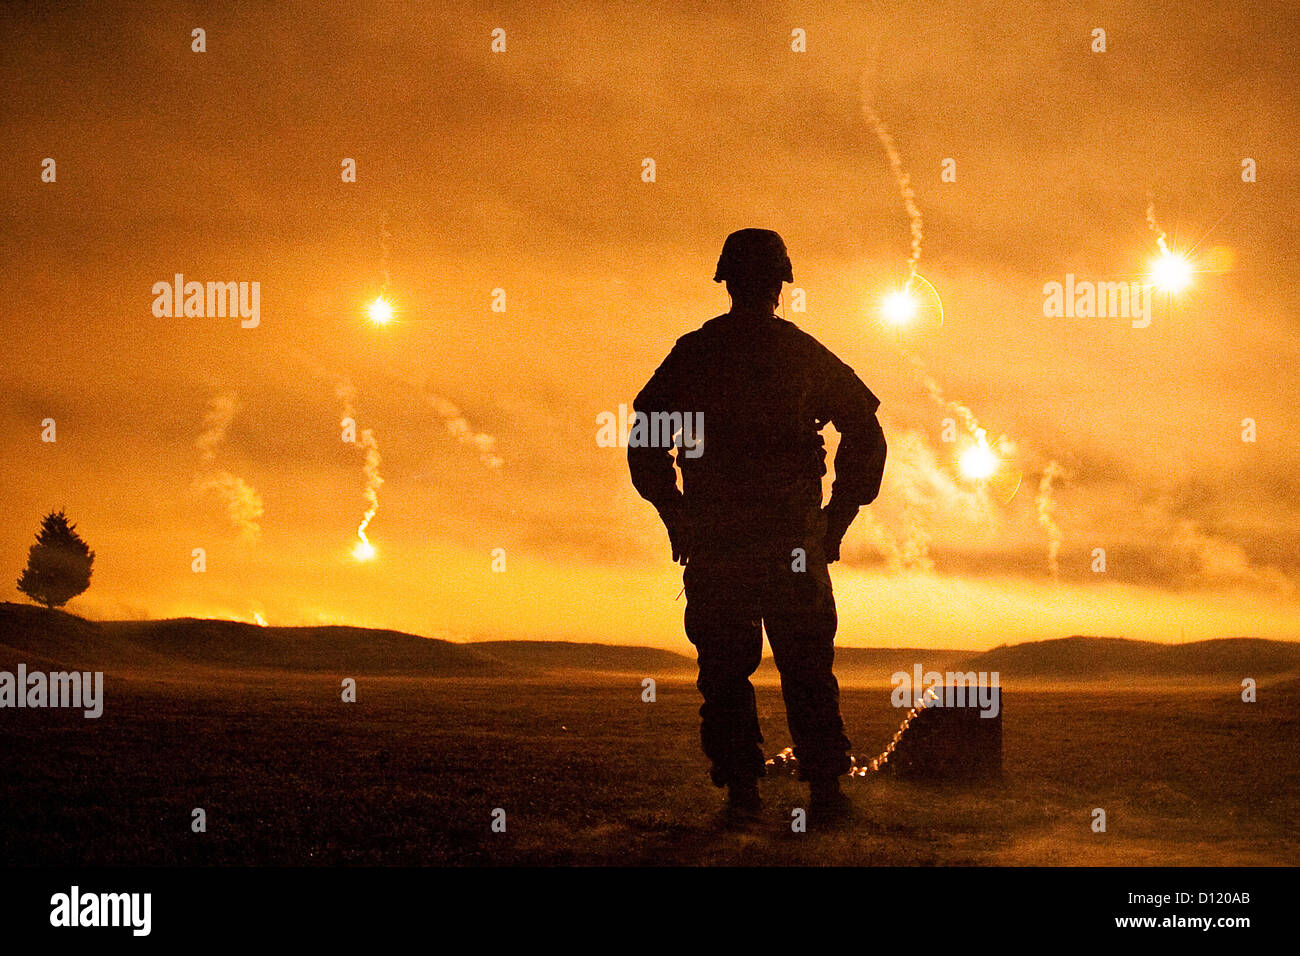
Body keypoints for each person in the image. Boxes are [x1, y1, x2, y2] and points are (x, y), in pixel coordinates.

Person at [628, 228, 887, 824]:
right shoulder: (800, 354)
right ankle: (824, 791)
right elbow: (865, 430)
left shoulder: (695, 354)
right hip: (789, 541)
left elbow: (645, 438)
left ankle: (743, 794)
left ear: (728, 283)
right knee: (805, 669)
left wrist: (676, 513)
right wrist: (837, 518)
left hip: (721, 542)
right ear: (779, 285)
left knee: (724, 669)